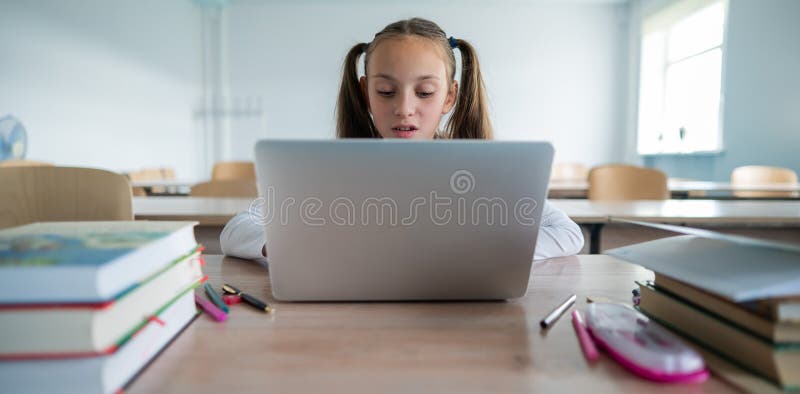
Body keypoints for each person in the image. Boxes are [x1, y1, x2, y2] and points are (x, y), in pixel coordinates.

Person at [221, 17, 583, 262]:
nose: (404, 108)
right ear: (366, 92)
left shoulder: (480, 171)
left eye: (424, 92)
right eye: (386, 91)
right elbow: (236, 230)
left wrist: (493, 252)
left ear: (449, 97)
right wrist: (283, 248)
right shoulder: (331, 169)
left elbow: (567, 233)